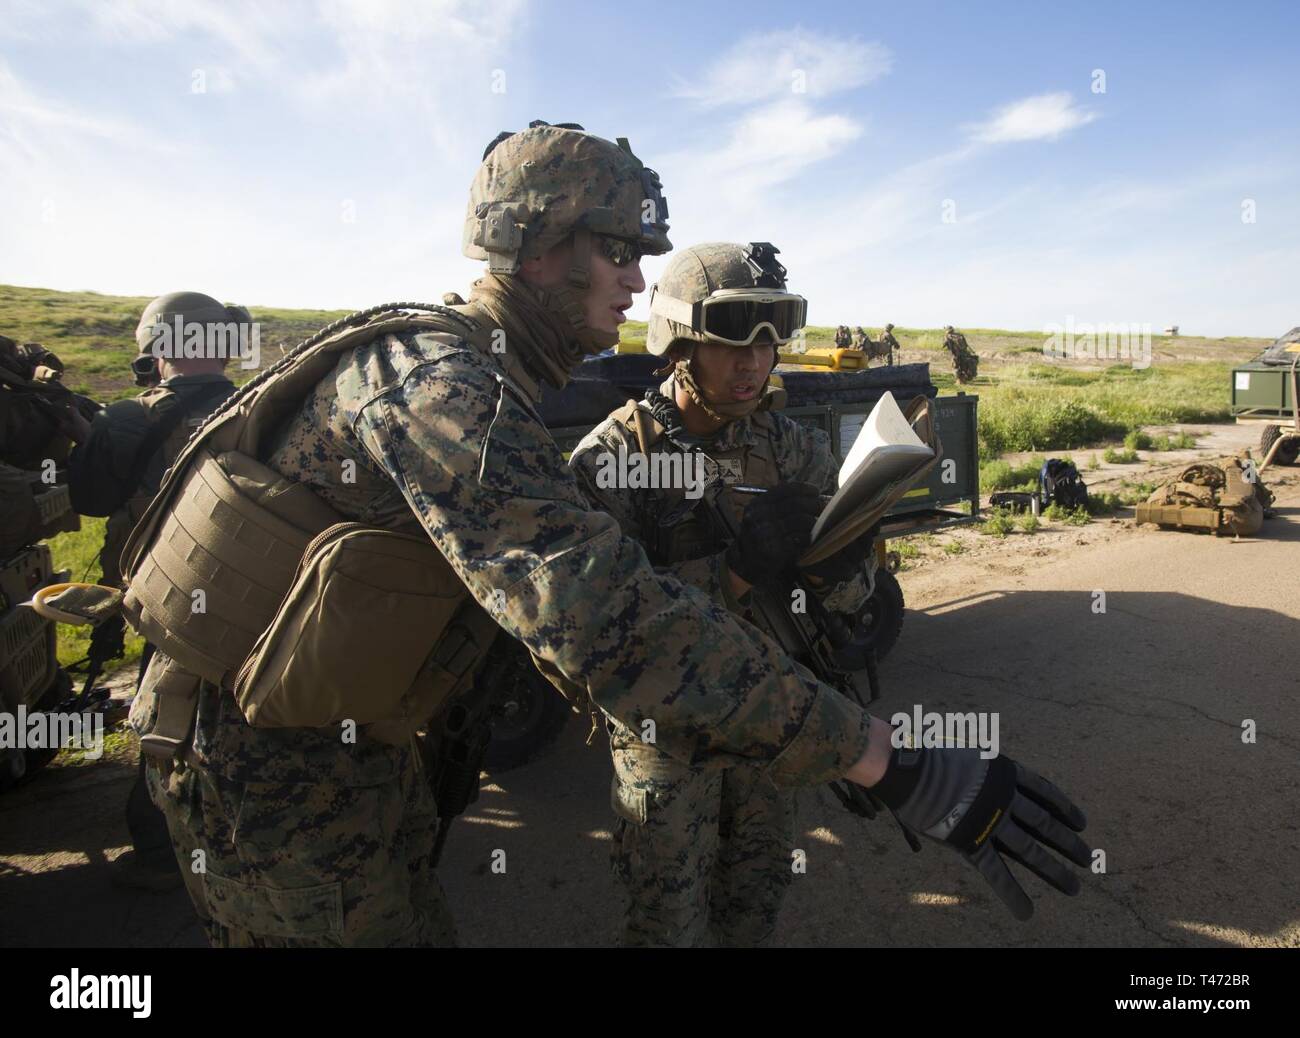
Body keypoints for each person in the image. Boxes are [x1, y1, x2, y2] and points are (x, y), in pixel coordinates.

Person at [127, 121, 1091, 947]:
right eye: (620, 250)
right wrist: (887, 760)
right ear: (543, 247)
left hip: (347, 753)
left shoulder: (485, 378)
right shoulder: (442, 388)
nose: (637, 280)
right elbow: (602, 617)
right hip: (270, 776)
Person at [569, 241, 872, 946]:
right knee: (667, 919)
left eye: (771, 342)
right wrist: (732, 573)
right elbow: (595, 629)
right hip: (668, 738)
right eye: (732, 341)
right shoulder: (616, 458)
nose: (754, 363)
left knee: (754, 897)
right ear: (679, 344)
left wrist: (836, 572)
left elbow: (854, 599)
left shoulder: (794, 450)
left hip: (770, 715)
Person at [64, 292, 243, 888]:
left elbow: (89, 499)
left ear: (158, 347)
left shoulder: (126, 418)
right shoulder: (264, 408)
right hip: (261, 593)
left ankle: (163, 848)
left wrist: (91, 433)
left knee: (166, 719)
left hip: (167, 600)